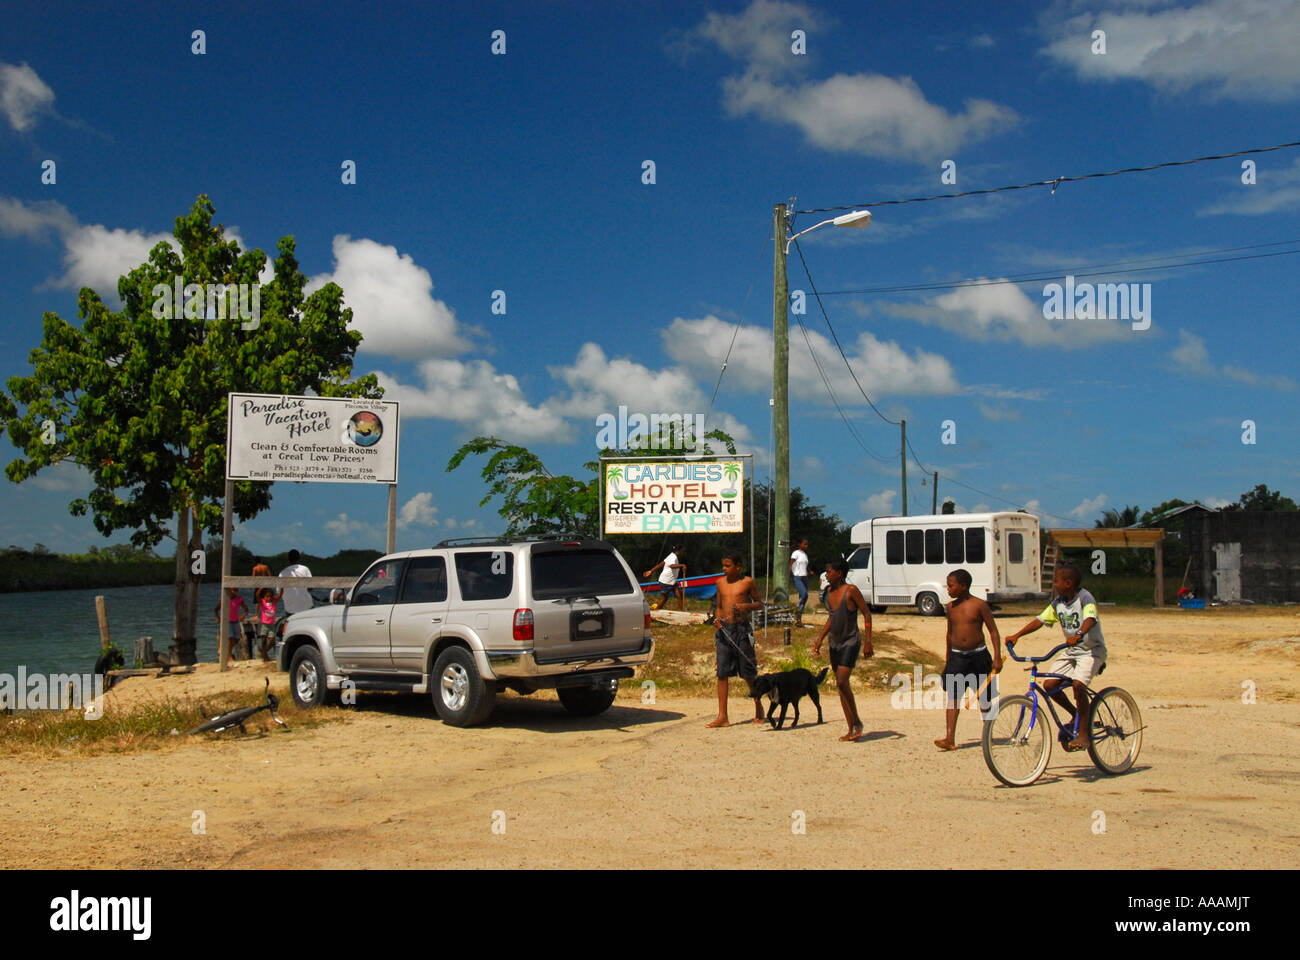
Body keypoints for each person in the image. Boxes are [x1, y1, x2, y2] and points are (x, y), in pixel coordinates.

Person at [1004, 563, 1106, 750]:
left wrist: (1080, 634)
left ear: (1068, 583)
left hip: (1092, 651)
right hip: (1072, 652)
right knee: (1049, 685)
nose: (1054, 584)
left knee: (1078, 685)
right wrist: (1017, 635)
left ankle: (1084, 733)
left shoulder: (1085, 598)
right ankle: (1077, 714)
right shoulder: (1058, 602)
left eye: (1056, 581)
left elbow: (1090, 619)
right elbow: (1039, 621)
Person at [934, 569, 1002, 751]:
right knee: (953, 696)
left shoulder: (980, 605)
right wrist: (948, 659)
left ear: (963, 587)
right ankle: (949, 738)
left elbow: (993, 631)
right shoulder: (950, 607)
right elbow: (949, 634)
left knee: (985, 697)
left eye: (951, 585)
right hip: (957, 657)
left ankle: (988, 735)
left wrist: (997, 656)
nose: (947, 588)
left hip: (979, 656)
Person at [812, 560, 873, 741]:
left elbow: (866, 613)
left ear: (839, 573)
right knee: (841, 686)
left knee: (841, 680)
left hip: (850, 641)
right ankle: (851, 727)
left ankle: (857, 722)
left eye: (829, 572)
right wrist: (820, 639)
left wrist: (868, 641)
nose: (826, 575)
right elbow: (832, 618)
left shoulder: (851, 591)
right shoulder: (829, 593)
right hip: (834, 643)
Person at [706, 553, 765, 728]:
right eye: (723, 565)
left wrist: (746, 606)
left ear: (738, 566)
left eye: (728, 566)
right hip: (724, 631)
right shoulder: (720, 583)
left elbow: (759, 603)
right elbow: (718, 606)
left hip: (741, 630)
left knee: (748, 672)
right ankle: (722, 716)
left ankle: (759, 708)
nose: (724, 569)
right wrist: (717, 619)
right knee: (722, 673)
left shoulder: (747, 582)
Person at [214, 587, 250, 666]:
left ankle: (225, 650)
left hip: (235, 621)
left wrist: (243, 616)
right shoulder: (225, 598)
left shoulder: (239, 599)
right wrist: (217, 617)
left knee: (237, 639)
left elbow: (246, 610)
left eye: (235, 590)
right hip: (227, 621)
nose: (233, 592)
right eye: (232, 590)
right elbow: (216, 609)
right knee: (230, 637)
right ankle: (229, 656)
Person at [645, 545, 686, 612]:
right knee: (665, 599)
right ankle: (656, 611)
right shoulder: (673, 557)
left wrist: (651, 571)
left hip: (672, 581)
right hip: (666, 581)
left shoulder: (671, 555)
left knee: (679, 595)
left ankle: (683, 611)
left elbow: (662, 563)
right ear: (678, 551)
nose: (682, 552)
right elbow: (671, 566)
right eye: (682, 551)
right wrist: (682, 565)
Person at [277, 549, 314, 616]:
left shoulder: (282, 573)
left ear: (288, 559)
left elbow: (279, 591)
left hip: (290, 609)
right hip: (306, 607)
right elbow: (311, 587)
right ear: (299, 558)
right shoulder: (305, 569)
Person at [254, 586, 278, 662]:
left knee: (272, 641)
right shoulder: (262, 602)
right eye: (267, 596)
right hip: (263, 624)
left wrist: (282, 588)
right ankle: (265, 657)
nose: (269, 598)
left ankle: (264, 652)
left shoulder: (274, 602)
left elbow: (280, 595)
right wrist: (261, 588)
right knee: (263, 641)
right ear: (264, 597)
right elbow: (257, 595)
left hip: (271, 625)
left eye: (270, 596)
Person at [790, 538, 810, 626]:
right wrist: (789, 575)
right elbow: (791, 564)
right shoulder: (795, 553)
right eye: (804, 544)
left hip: (804, 577)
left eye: (807, 544)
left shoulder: (805, 554)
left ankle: (798, 619)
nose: (806, 546)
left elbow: (805, 565)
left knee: (803, 597)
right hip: (797, 577)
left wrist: (810, 571)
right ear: (800, 544)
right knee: (805, 594)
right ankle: (796, 610)